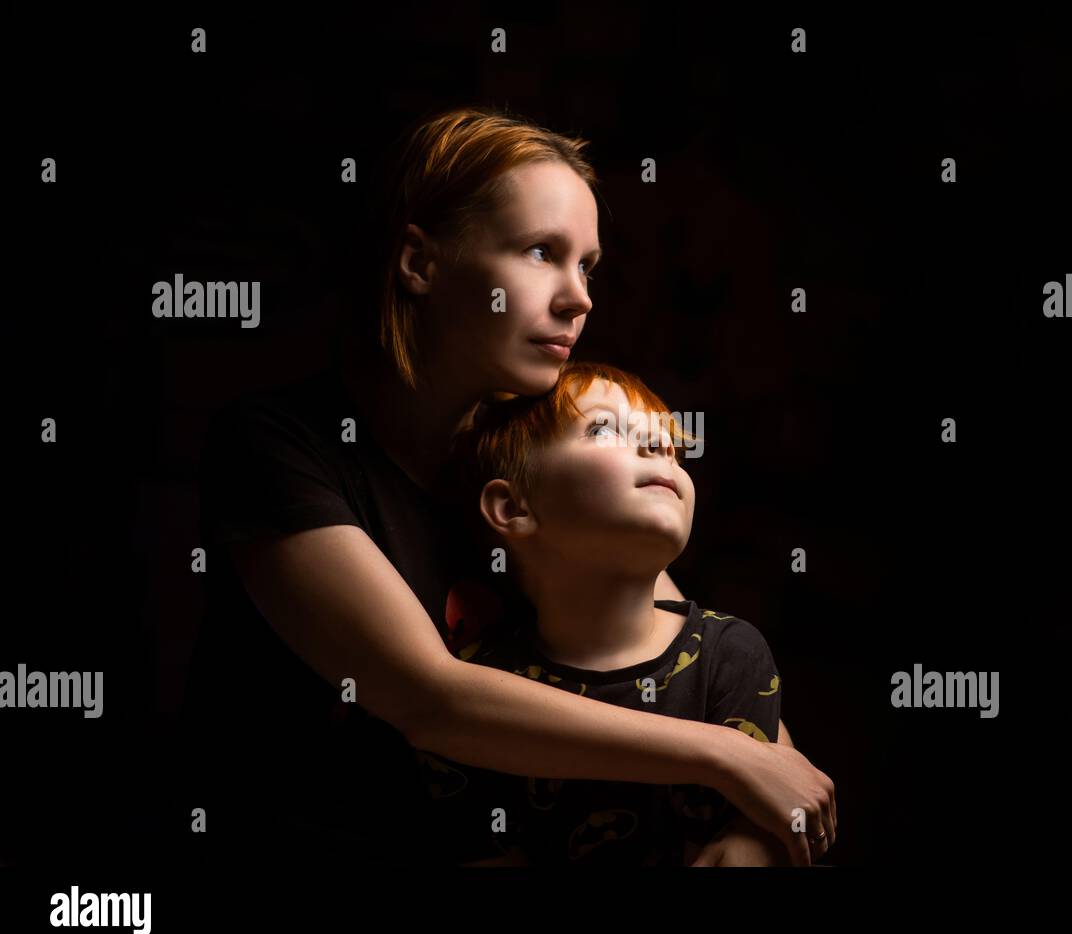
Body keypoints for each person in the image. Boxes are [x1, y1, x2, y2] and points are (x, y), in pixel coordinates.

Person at [180, 106, 835, 867]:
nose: (579, 298)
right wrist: (727, 759)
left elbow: (677, 640)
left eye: (586, 266)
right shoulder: (277, 446)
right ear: (420, 263)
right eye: (540, 253)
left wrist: (758, 817)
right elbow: (431, 699)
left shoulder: (543, 458)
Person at [444, 362, 784, 865]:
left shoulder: (732, 657)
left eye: (667, 441)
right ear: (512, 508)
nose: (661, 449)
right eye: (604, 429)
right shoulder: (482, 687)